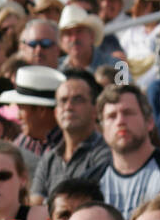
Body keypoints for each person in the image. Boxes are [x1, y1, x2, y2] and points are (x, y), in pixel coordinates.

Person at [96, 85, 160, 219]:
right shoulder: (91, 182)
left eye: (128, 113)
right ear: (101, 130)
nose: (120, 121)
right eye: (111, 116)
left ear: (150, 122)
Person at [30, 71, 111, 203]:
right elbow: (35, 205)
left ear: (95, 111)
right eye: (63, 101)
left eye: (78, 100)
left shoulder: (106, 154)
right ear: (56, 113)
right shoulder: (49, 159)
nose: (69, 106)